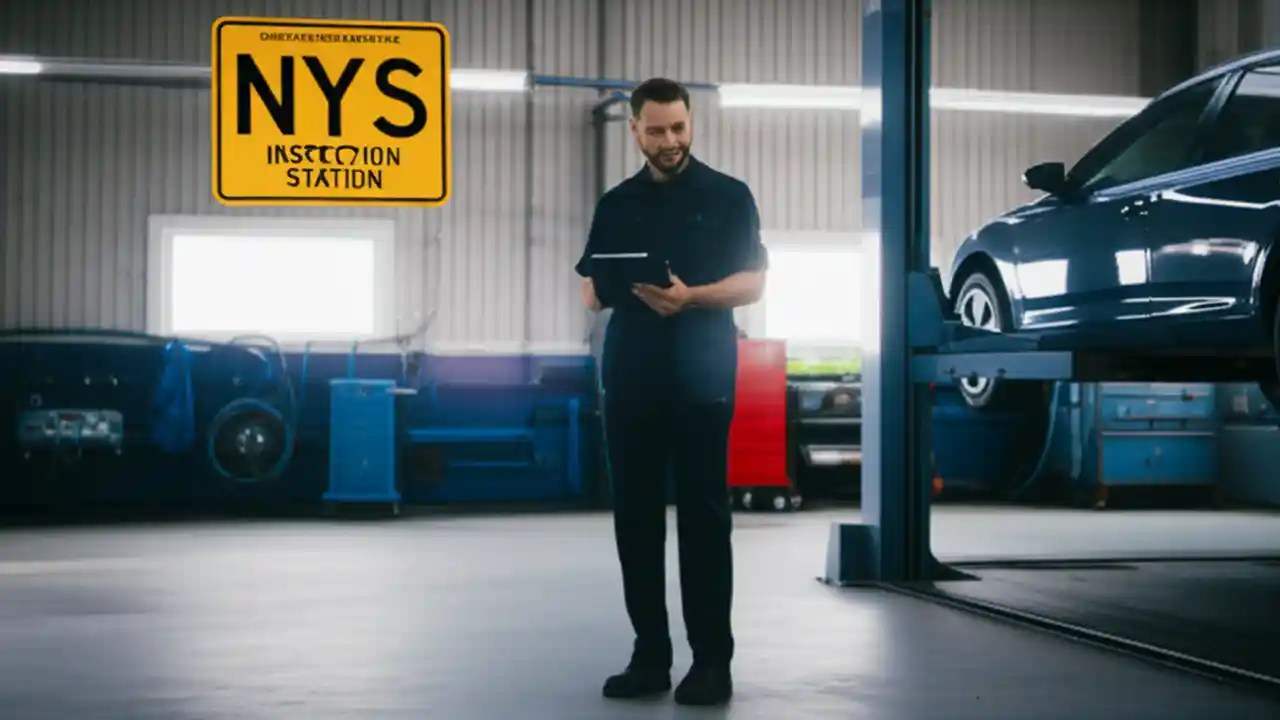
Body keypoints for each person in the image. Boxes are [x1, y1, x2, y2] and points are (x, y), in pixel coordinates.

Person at [574, 77, 768, 707]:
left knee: (704, 519)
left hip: (702, 374)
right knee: (635, 519)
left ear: (691, 123)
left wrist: (690, 298)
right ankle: (650, 657)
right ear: (634, 130)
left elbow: (753, 283)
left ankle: (711, 662)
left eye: (678, 127)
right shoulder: (617, 203)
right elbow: (590, 287)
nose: (669, 141)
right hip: (631, 373)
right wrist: (612, 288)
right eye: (655, 130)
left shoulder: (729, 196)